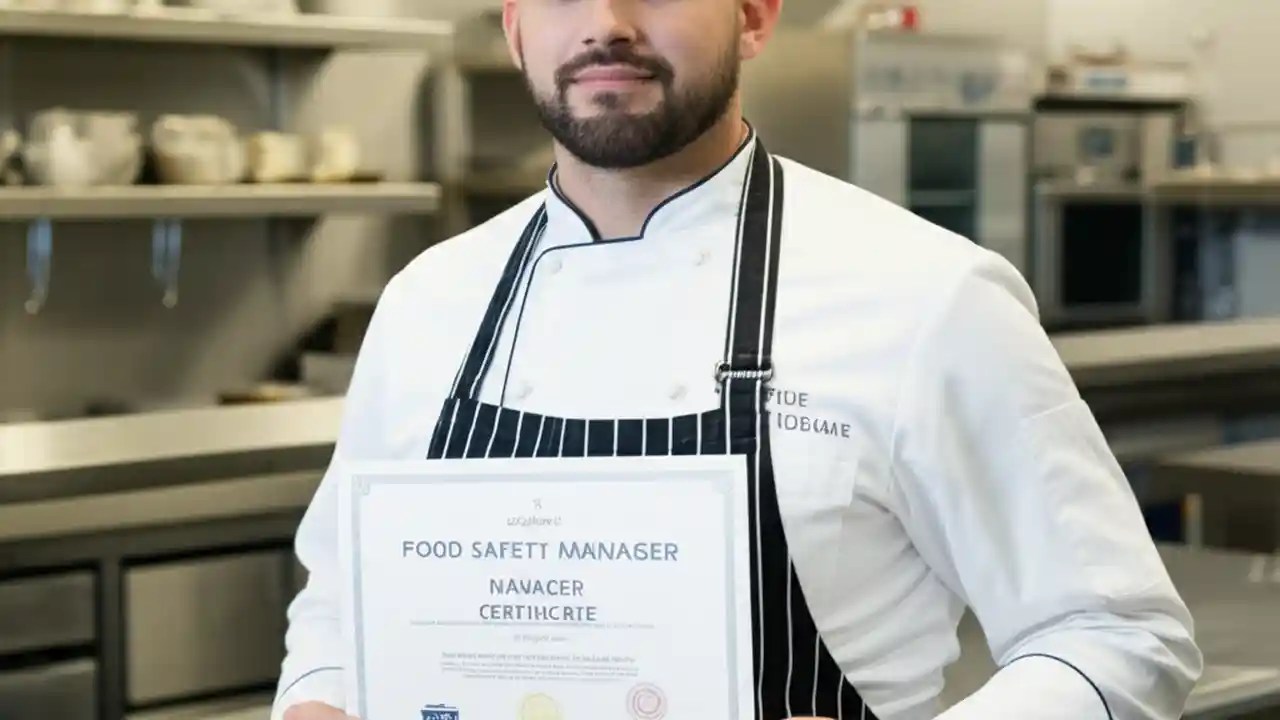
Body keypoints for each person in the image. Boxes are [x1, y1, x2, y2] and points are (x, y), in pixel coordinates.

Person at [272, 0, 1203, 718]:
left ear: (755, 13)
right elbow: (339, 604)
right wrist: (319, 692)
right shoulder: (430, 304)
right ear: (515, 28)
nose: (607, 25)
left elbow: (1116, 634)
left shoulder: (927, 295)